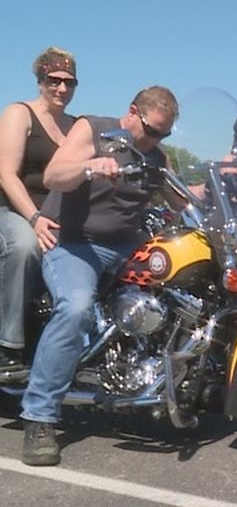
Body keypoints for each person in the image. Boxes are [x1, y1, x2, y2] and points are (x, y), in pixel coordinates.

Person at [20, 85, 180, 466]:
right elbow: (54, 175)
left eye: (165, 134)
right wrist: (90, 165)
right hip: (74, 243)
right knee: (75, 308)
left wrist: (222, 187)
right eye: (153, 130)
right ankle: (40, 415)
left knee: (183, 286)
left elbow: (182, 198)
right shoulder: (94, 130)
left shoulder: (155, 156)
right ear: (132, 113)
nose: (157, 140)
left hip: (129, 245)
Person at [0, 47, 78, 373]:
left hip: (57, 218)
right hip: (14, 212)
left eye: (69, 82)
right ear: (40, 80)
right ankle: (7, 348)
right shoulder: (20, 113)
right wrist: (34, 217)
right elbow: (5, 172)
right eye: (54, 80)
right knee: (24, 246)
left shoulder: (76, 126)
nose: (61, 89)